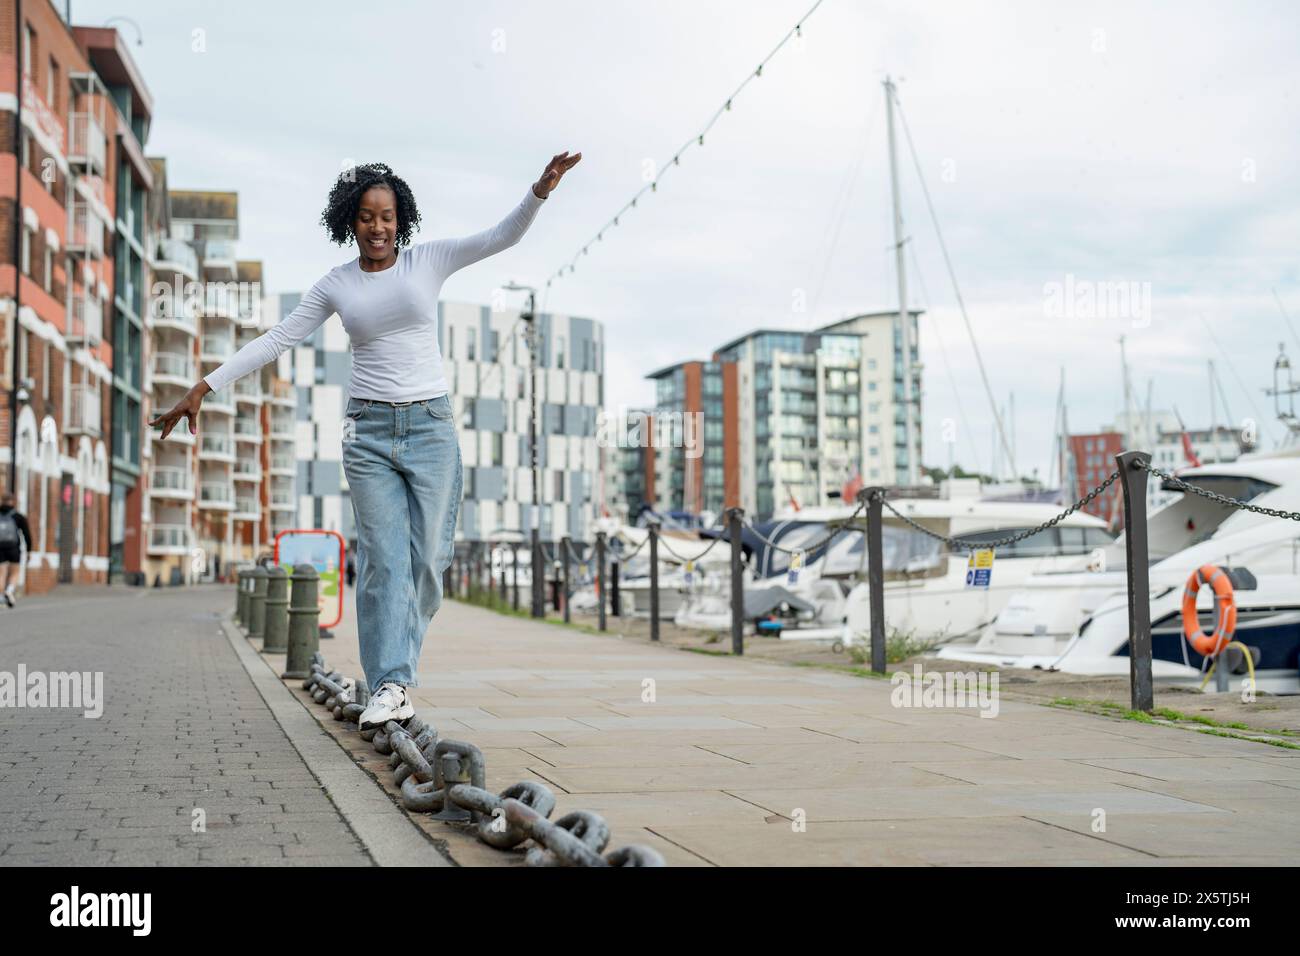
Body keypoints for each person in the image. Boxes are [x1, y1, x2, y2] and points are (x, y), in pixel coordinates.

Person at [149, 153, 580, 728]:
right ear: (349, 221)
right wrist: (205, 385)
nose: (378, 227)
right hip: (367, 433)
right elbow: (278, 339)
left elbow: (501, 236)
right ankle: (391, 683)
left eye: (387, 216)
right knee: (382, 562)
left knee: (428, 563)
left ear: (402, 219)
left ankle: (397, 672)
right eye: (366, 217)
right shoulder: (337, 284)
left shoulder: (430, 261)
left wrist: (539, 191)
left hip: (430, 428)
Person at [0, 492, 33, 607]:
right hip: (14, 549)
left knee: (1, 573)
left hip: (0, 548)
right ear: (13, 501)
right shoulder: (18, 517)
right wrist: (29, 550)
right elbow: (27, 534)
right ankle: (9, 591)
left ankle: (1, 597)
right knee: (15, 572)